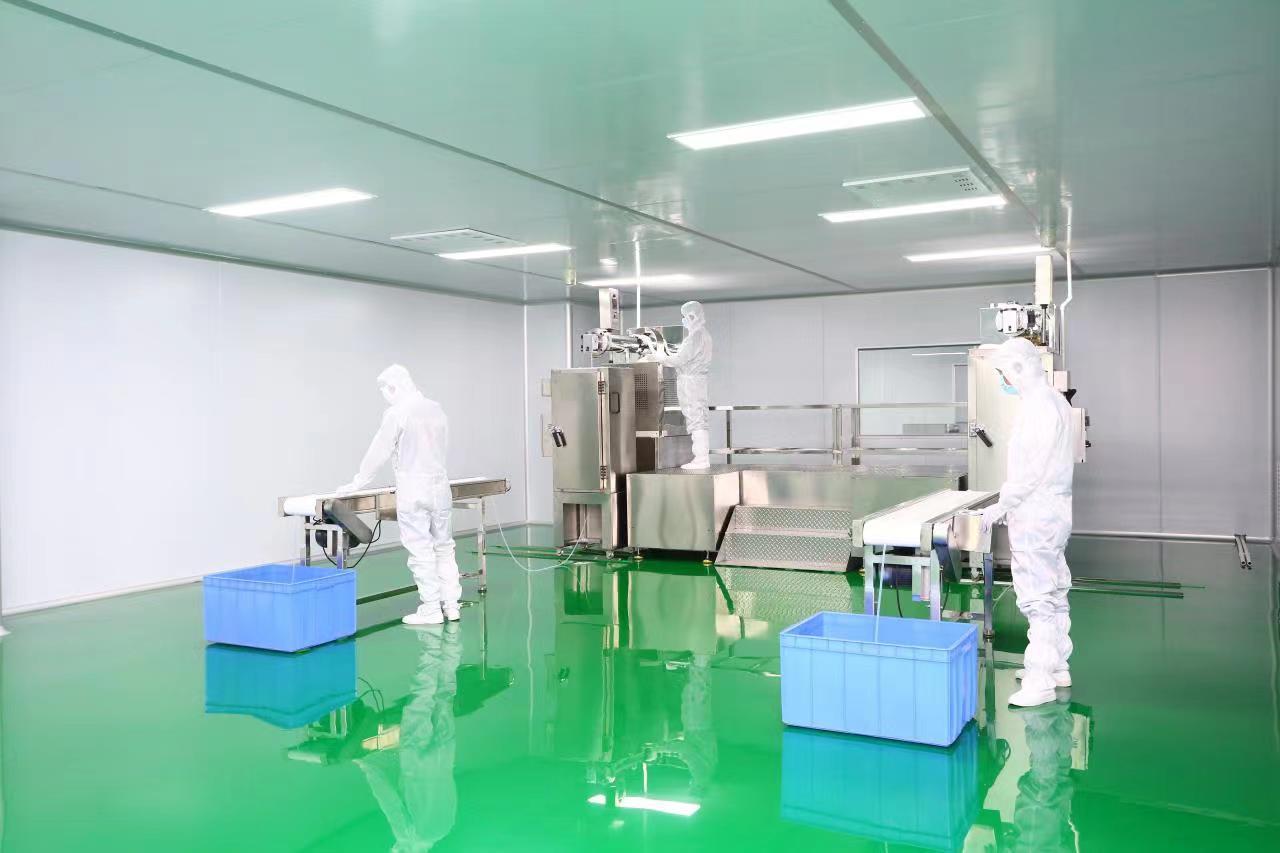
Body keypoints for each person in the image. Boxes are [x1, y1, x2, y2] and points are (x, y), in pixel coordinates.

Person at [980, 337, 1075, 707]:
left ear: (1019, 367)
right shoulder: (1056, 401)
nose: (1003, 381)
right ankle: (1056, 666)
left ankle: (1039, 681)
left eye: (1003, 373)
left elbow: (1029, 472)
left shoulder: (1039, 407)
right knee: (1055, 591)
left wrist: (1000, 506)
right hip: (1054, 512)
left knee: (1037, 599)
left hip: (1037, 515)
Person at [338, 364, 459, 626]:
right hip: (440, 487)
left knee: (421, 550)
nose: (385, 397)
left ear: (394, 388)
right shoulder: (436, 409)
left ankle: (431, 608)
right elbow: (441, 447)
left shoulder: (398, 413)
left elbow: (379, 451)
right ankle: (451, 605)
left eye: (385, 391)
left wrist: (357, 482)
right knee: (444, 547)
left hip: (414, 489)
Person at [356, 624, 462, 851]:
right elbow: (389, 801)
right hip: (415, 764)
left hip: (443, 758)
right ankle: (431, 643)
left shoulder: (446, 827)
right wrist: (366, 765)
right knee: (419, 701)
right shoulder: (408, 839)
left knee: (444, 696)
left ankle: (451, 639)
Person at [655, 301, 713, 470]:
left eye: (684, 317)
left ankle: (701, 459)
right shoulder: (703, 335)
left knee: (696, 420)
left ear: (692, 316)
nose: (683, 320)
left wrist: (658, 357)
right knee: (698, 418)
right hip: (697, 382)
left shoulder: (695, 337)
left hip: (691, 383)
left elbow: (679, 360)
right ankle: (701, 458)